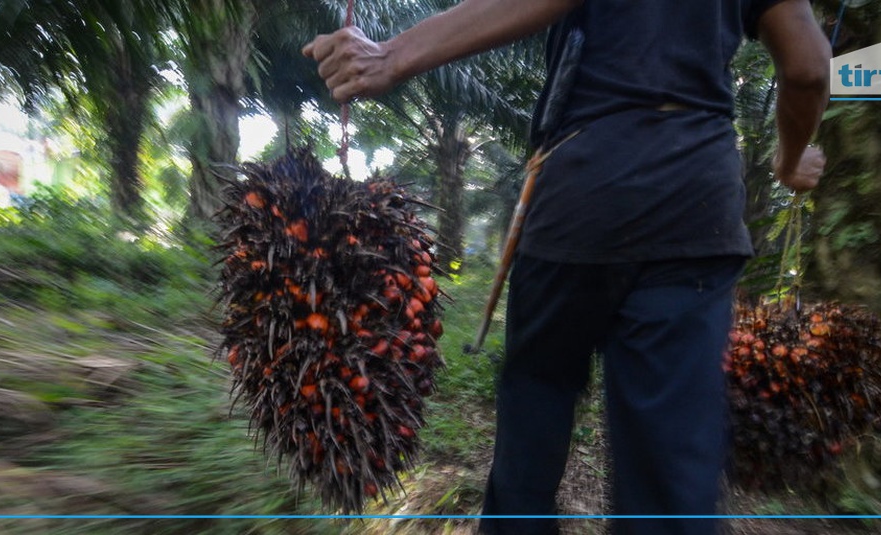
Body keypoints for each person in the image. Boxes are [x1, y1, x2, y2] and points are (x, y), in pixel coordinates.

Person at [303, 1, 830, 534]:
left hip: (579, 198)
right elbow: (808, 66)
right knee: (668, 476)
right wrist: (789, 161)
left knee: (533, 425)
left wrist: (393, 55)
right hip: (691, 210)